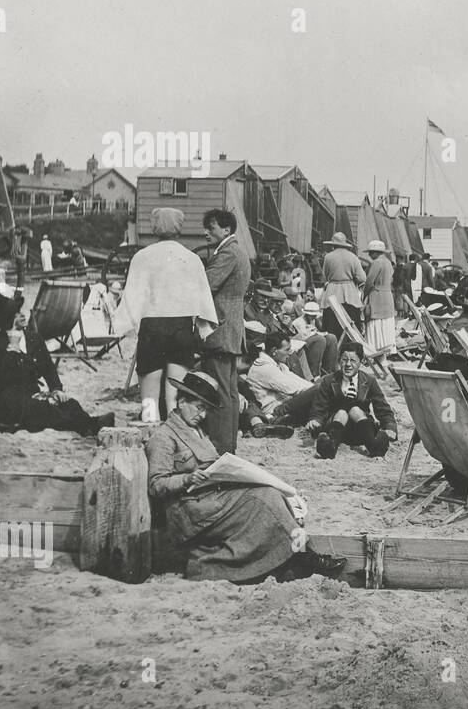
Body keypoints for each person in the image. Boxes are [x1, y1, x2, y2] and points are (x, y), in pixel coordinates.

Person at [146, 370, 345, 582]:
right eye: (200, 407)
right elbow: (156, 485)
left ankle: (298, 554)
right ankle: (302, 556)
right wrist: (186, 478)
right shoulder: (164, 437)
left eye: (206, 410)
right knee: (263, 500)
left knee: (273, 494)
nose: (203, 415)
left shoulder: (196, 430)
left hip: (212, 499)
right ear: (182, 402)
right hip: (192, 510)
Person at [113, 207, 218, 423]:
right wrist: (203, 328)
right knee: (175, 397)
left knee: (149, 401)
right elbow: (203, 300)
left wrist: (125, 325)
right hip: (181, 330)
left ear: (154, 226)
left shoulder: (142, 257)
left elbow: (133, 296)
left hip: (152, 330)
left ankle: (151, 437)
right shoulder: (191, 259)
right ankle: (174, 435)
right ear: (180, 227)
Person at [0, 295, 115, 437]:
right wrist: (13, 347)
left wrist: (56, 390)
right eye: (16, 314)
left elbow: (48, 369)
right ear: (7, 320)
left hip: (31, 391)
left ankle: (91, 425)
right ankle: (90, 426)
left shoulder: (34, 338)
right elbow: (3, 377)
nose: (23, 315)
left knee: (68, 403)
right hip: (6, 396)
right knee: (42, 410)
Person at [200, 208, 250, 454]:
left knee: (219, 390)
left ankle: (219, 447)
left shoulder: (227, 253)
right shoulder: (239, 252)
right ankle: (229, 446)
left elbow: (206, 285)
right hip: (232, 330)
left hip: (219, 330)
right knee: (230, 392)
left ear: (226, 230)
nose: (206, 232)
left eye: (211, 227)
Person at [307, 341, 397, 459]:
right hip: (337, 430)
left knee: (355, 410)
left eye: (353, 361)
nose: (348, 364)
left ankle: (374, 446)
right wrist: (316, 420)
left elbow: (382, 408)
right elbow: (319, 407)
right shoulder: (329, 381)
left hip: (361, 430)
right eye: (344, 360)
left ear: (361, 362)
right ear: (339, 361)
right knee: (342, 413)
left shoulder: (369, 381)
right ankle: (330, 448)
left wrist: (390, 427)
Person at [320, 232, 366, 338]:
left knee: (332, 323)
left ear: (333, 244)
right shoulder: (353, 257)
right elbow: (362, 278)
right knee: (351, 323)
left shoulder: (328, 257)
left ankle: (333, 349)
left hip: (332, 292)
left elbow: (325, 276)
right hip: (349, 293)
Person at [362, 240, 397, 357]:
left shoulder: (377, 263)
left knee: (375, 322)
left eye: (370, 252)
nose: (369, 255)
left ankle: (373, 349)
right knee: (386, 323)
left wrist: (364, 295)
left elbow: (369, 281)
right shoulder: (388, 262)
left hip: (377, 296)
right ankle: (386, 349)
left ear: (375, 252)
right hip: (387, 295)